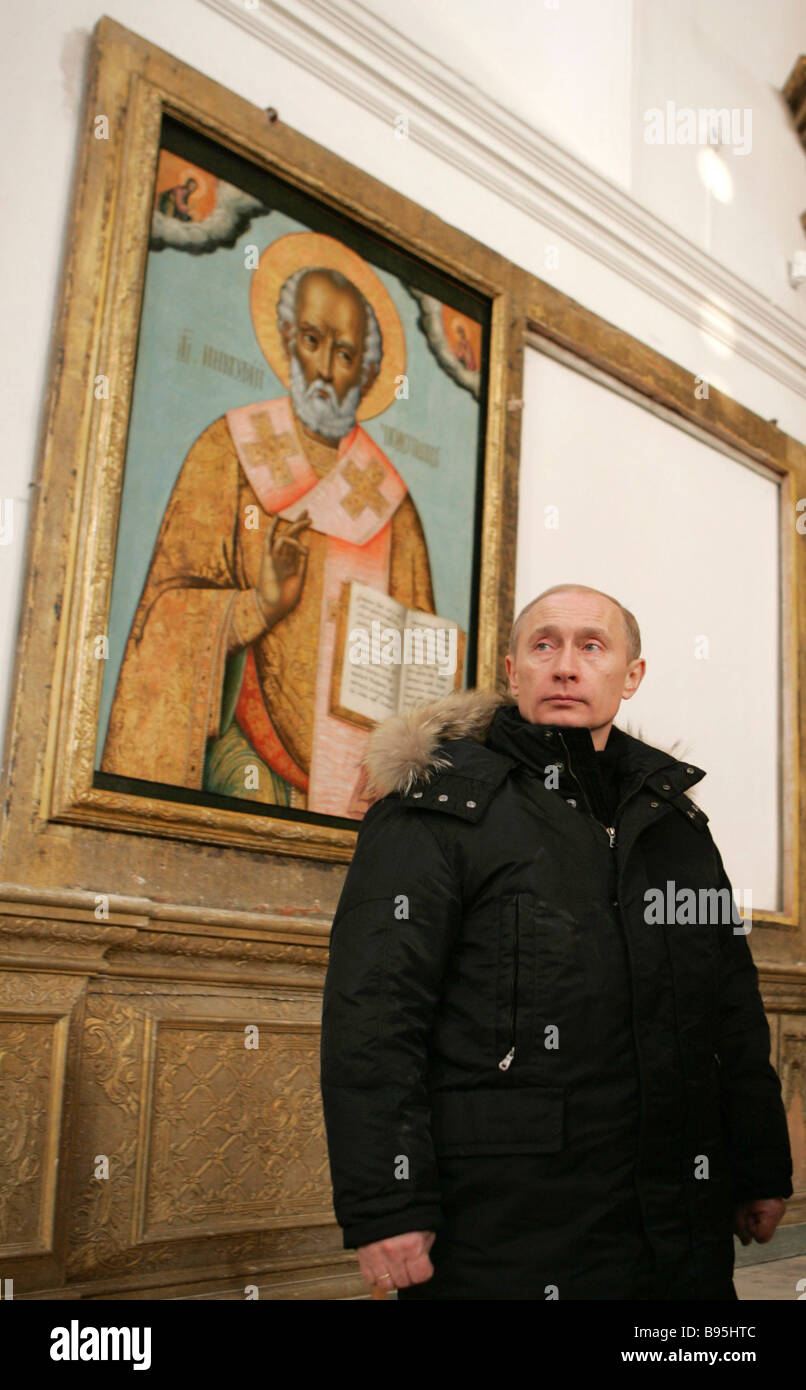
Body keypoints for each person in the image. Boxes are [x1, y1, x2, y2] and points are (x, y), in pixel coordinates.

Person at [319, 583, 793, 1299]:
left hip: (681, 1236)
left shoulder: (676, 829)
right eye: (544, 645)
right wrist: (388, 1201)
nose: (566, 666)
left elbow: (730, 1009)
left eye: (592, 646)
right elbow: (375, 1018)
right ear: (514, 671)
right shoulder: (438, 810)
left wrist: (758, 1165)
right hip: (508, 1232)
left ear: (631, 675)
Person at [101, 237, 434, 817]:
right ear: (286, 340)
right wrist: (260, 606)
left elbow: (425, 689)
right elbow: (162, 620)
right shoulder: (227, 453)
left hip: (360, 795)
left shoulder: (394, 508)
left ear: (369, 372)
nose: (327, 369)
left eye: (347, 354)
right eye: (312, 340)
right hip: (245, 751)